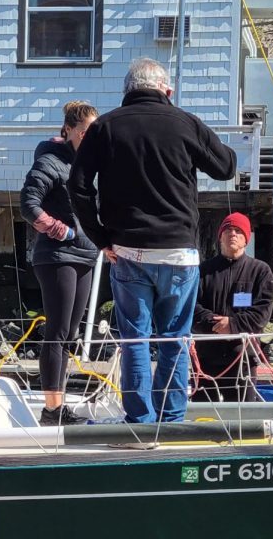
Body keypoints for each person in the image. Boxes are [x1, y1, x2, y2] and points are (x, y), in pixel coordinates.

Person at [68, 57, 237, 424]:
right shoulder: (185, 123)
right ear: (167, 91)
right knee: (174, 337)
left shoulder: (105, 127)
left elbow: (78, 187)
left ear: (127, 91)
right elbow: (226, 167)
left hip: (128, 251)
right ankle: (172, 417)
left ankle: (140, 420)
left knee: (136, 340)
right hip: (179, 252)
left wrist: (99, 237)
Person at [20, 101, 100, 425]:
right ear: (69, 131)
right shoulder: (51, 162)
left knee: (71, 334)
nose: (90, 137)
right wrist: (58, 229)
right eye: (85, 132)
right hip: (57, 255)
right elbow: (28, 203)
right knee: (57, 329)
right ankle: (51, 409)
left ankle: (60, 405)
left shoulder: (94, 165)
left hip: (86, 253)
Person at [191, 212, 273, 402]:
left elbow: (262, 312)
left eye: (238, 231)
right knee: (203, 420)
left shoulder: (260, 271)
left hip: (242, 357)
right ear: (220, 236)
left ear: (246, 238)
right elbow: (191, 306)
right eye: (228, 230)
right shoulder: (203, 270)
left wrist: (233, 324)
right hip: (206, 356)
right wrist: (215, 324)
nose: (233, 234)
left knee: (242, 419)